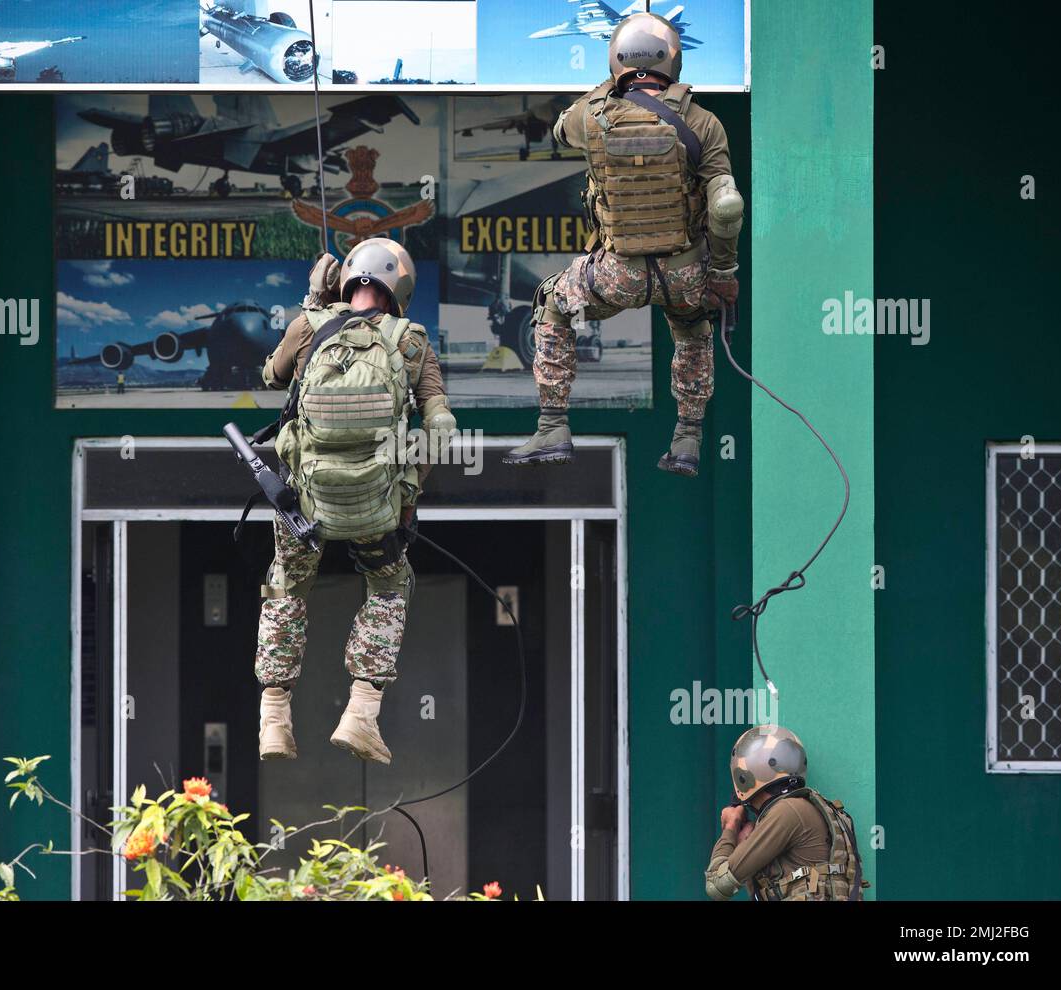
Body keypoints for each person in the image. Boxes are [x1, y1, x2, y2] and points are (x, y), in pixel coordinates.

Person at [504, 11, 744, 475]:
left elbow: (558, 128)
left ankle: (553, 424)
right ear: (673, 61)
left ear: (615, 60)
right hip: (686, 271)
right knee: (693, 329)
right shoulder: (704, 121)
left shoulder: (591, 117)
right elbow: (725, 206)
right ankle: (687, 439)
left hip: (619, 274)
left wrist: (608, 89)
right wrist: (723, 274)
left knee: (552, 303)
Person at [255, 237, 455, 765]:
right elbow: (440, 427)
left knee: (285, 586)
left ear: (346, 280)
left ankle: (274, 718)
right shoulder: (411, 340)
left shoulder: (309, 326)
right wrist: (407, 491)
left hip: (304, 502)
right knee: (389, 585)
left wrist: (311, 305)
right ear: (400, 287)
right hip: (375, 502)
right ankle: (361, 714)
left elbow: (272, 376)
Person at [704, 725, 866, 901]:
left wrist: (730, 826)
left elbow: (717, 886)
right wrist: (746, 841)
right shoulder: (802, 808)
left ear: (745, 775)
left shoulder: (787, 812)